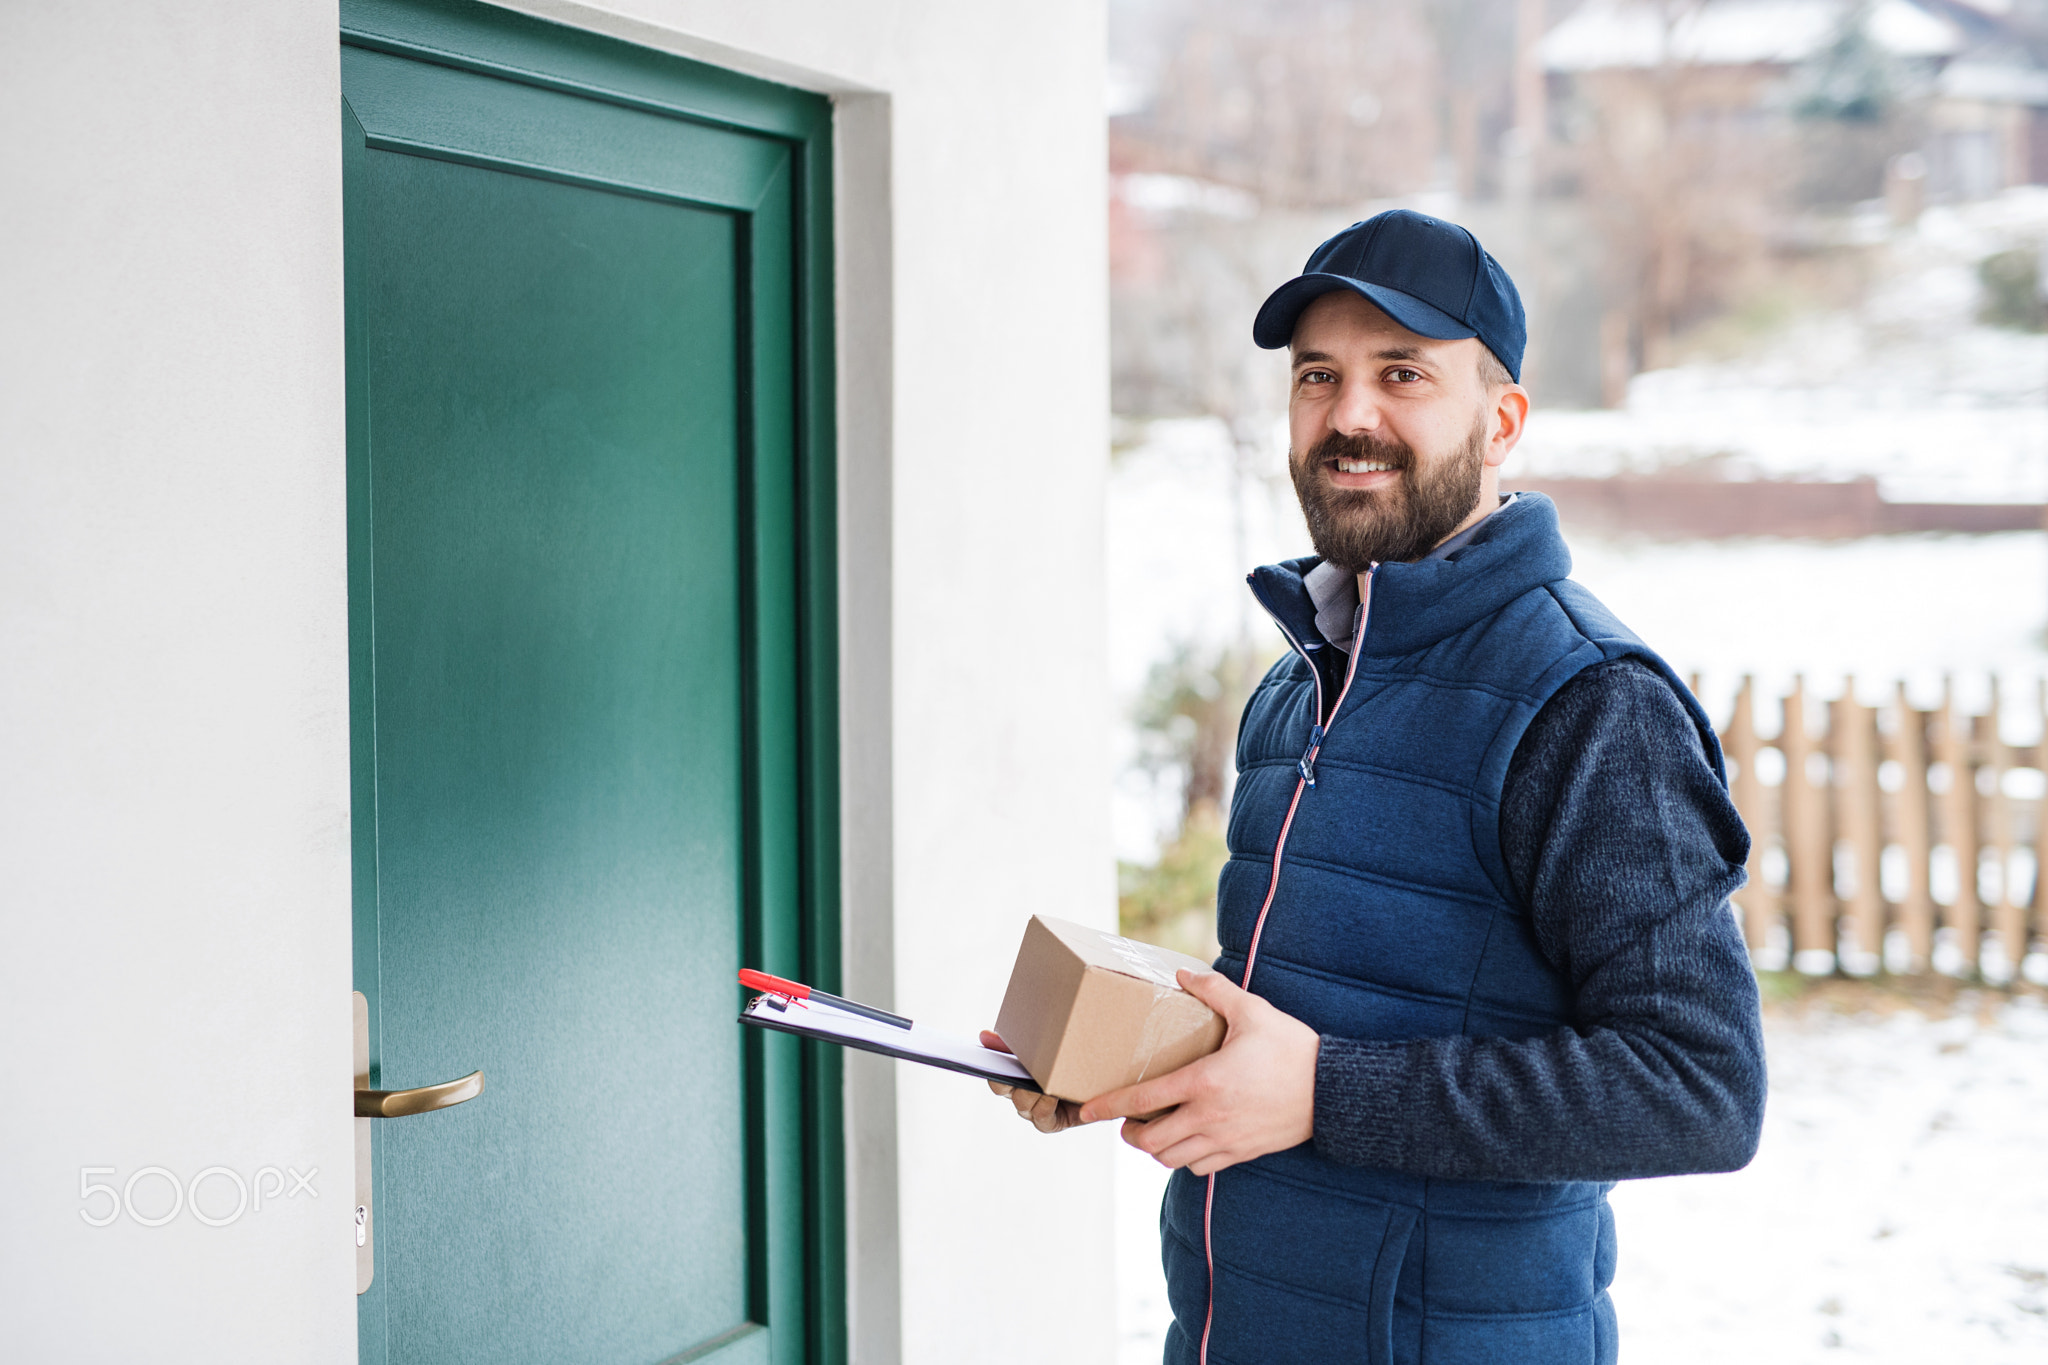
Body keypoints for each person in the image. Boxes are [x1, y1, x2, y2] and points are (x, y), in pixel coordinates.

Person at [986, 209, 1765, 1364]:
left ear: (1499, 422)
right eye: (1317, 377)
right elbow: (1309, 1007)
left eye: (1401, 373)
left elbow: (1696, 1086)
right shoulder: (1294, 686)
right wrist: (1121, 1051)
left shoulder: (1588, 702)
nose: (1348, 415)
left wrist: (1325, 1095)